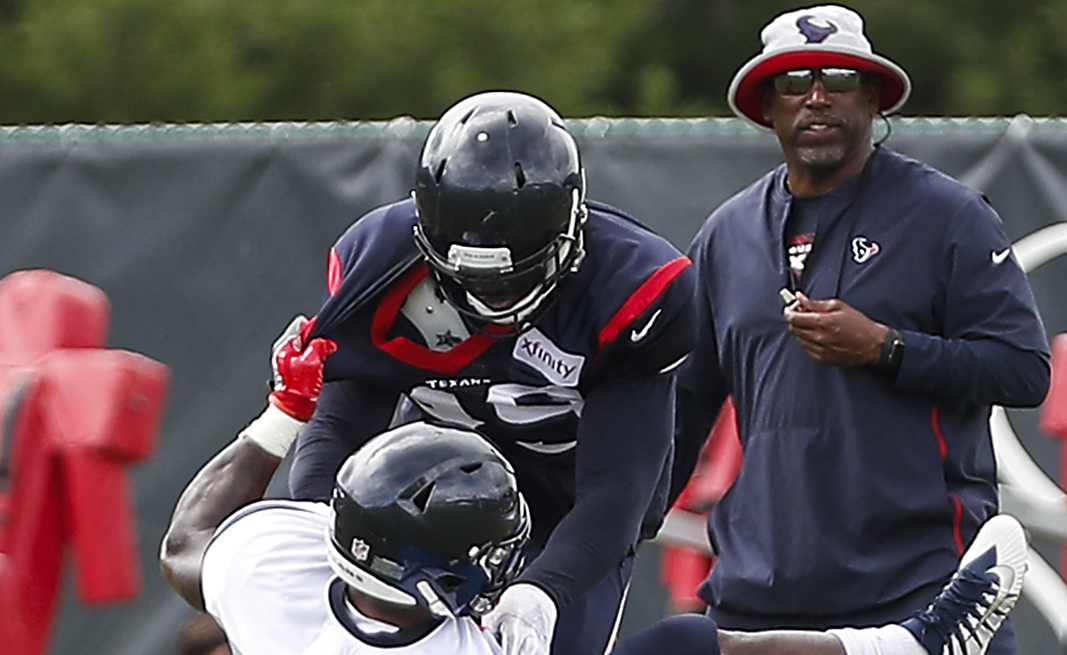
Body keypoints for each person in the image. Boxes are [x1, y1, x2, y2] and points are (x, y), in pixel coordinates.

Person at [160, 323, 1028, 655]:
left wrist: (283, 414)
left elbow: (187, 541)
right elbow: (190, 544)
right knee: (680, 649)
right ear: (443, 584)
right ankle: (912, 646)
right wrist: (285, 412)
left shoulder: (272, 565)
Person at [671, 5, 1051, 655]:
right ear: (766, 104)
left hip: (923, 592)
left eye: (838, 78)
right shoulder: (726, 233)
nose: (815, 97)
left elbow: (1023, 369)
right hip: (759, 593)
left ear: (873, 97)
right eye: (792, 82)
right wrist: (607, 528)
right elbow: (680, 408)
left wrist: (887, 348)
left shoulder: (946, 214)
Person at [285, 90, 698, 655]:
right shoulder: (380, 264)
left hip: (569, 503)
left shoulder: (633, 289)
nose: (487, 296)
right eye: (466, 280)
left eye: (509, 280)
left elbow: (616, 489)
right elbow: (339, 427)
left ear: (570, 232)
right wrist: (314, 528)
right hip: (428, 500)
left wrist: (543, 591)